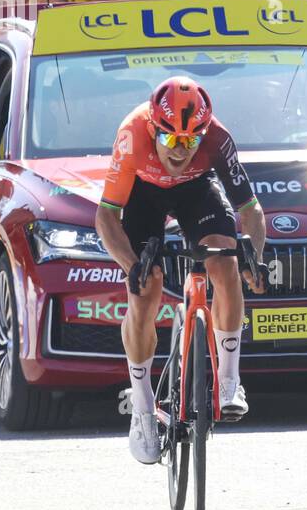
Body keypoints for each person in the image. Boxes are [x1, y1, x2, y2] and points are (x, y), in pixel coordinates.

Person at [95, 77, 266, 464]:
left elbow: (250, 210)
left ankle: (229, 381)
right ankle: (141, 410)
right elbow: (106, 216)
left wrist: (254, 256)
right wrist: (132, 265)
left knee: (226, 262)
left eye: (190, 141)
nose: (179, 150)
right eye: (170, 139)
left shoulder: (218, 138)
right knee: (146, 289)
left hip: (196, 191)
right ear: (154, 128)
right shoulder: (132, 136)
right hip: (143, 196)